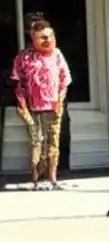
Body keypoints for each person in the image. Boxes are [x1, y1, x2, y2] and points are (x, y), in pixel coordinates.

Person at [10, 20, 71, 189]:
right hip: (32, 107)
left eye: (51, 36)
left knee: (53, 143)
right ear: (33, 39)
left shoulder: (57, 55)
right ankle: (36, 179)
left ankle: (52, 178)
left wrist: (60, 99)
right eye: (43, 37)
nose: (48, 40)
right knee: (36, 142)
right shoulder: (24, 57)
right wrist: (22, 104)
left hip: (53, 105)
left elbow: (64, 79)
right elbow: (17, 82)